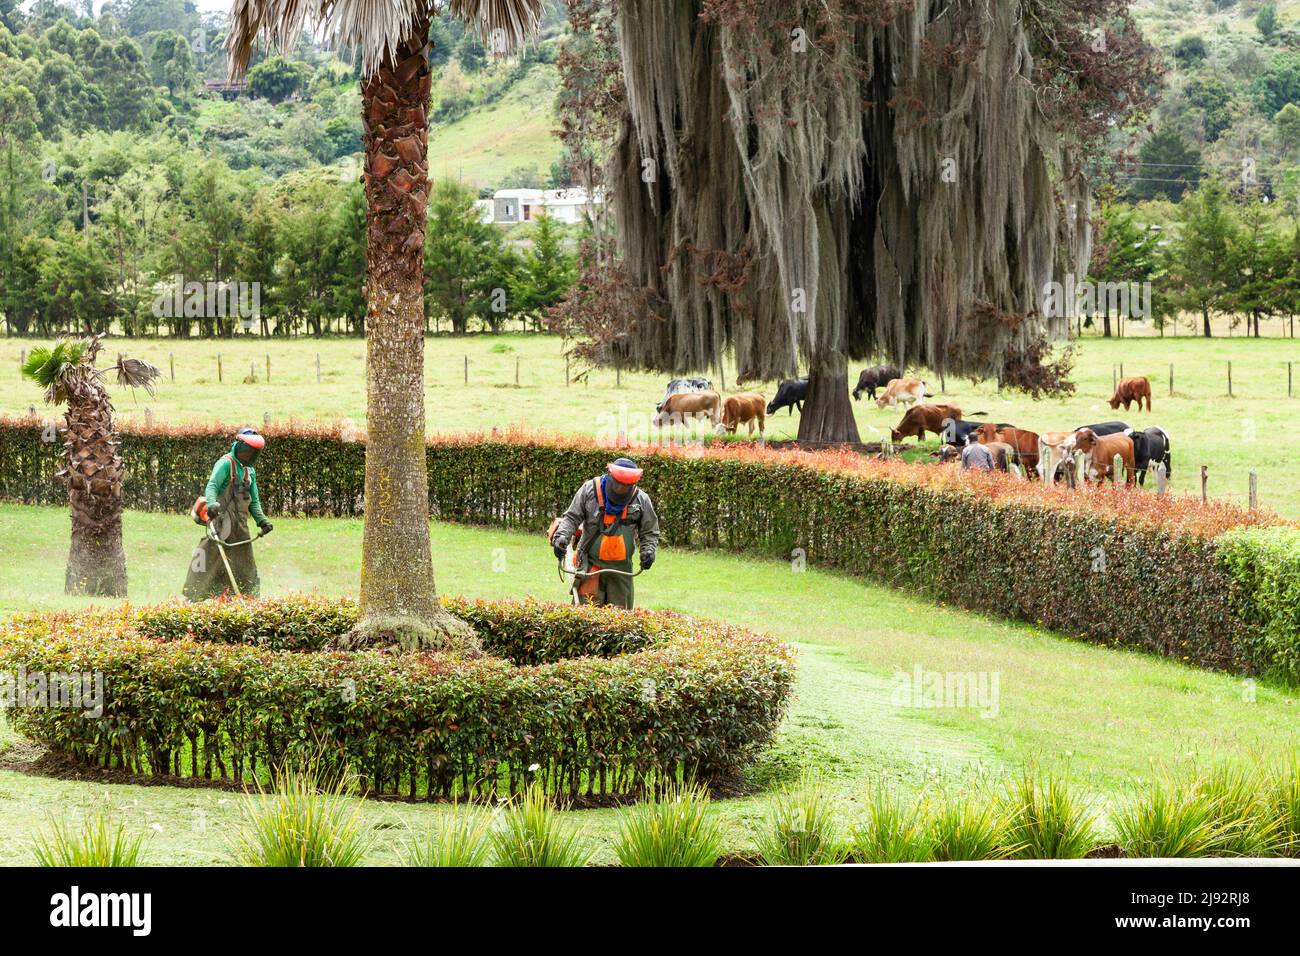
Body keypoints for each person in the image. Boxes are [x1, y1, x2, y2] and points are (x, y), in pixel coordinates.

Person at [550, 458, 660, 609]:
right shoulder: (589, 490)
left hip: (621, 570)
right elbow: (571, 518)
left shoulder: (641, 500)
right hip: (590, 566)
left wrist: (648, 550)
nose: (621, 489)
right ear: (610, 476)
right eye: (618, 484)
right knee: (585, 617)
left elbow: (650, 532)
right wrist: (561, 536)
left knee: (621, 621)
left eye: (626, 486)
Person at [183, 427, 274, 600]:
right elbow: (212, 486)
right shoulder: (225, 463)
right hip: (222, 522)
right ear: (239, 447)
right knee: (210, 558)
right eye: (248, 451)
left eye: (253, 453)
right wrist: (211, 504)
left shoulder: (249, 472)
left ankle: (248, 598)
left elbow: (253, 501)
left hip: (241, 525)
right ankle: (193, 596)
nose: (249, 455)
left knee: (245, 564)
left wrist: (262, 521)